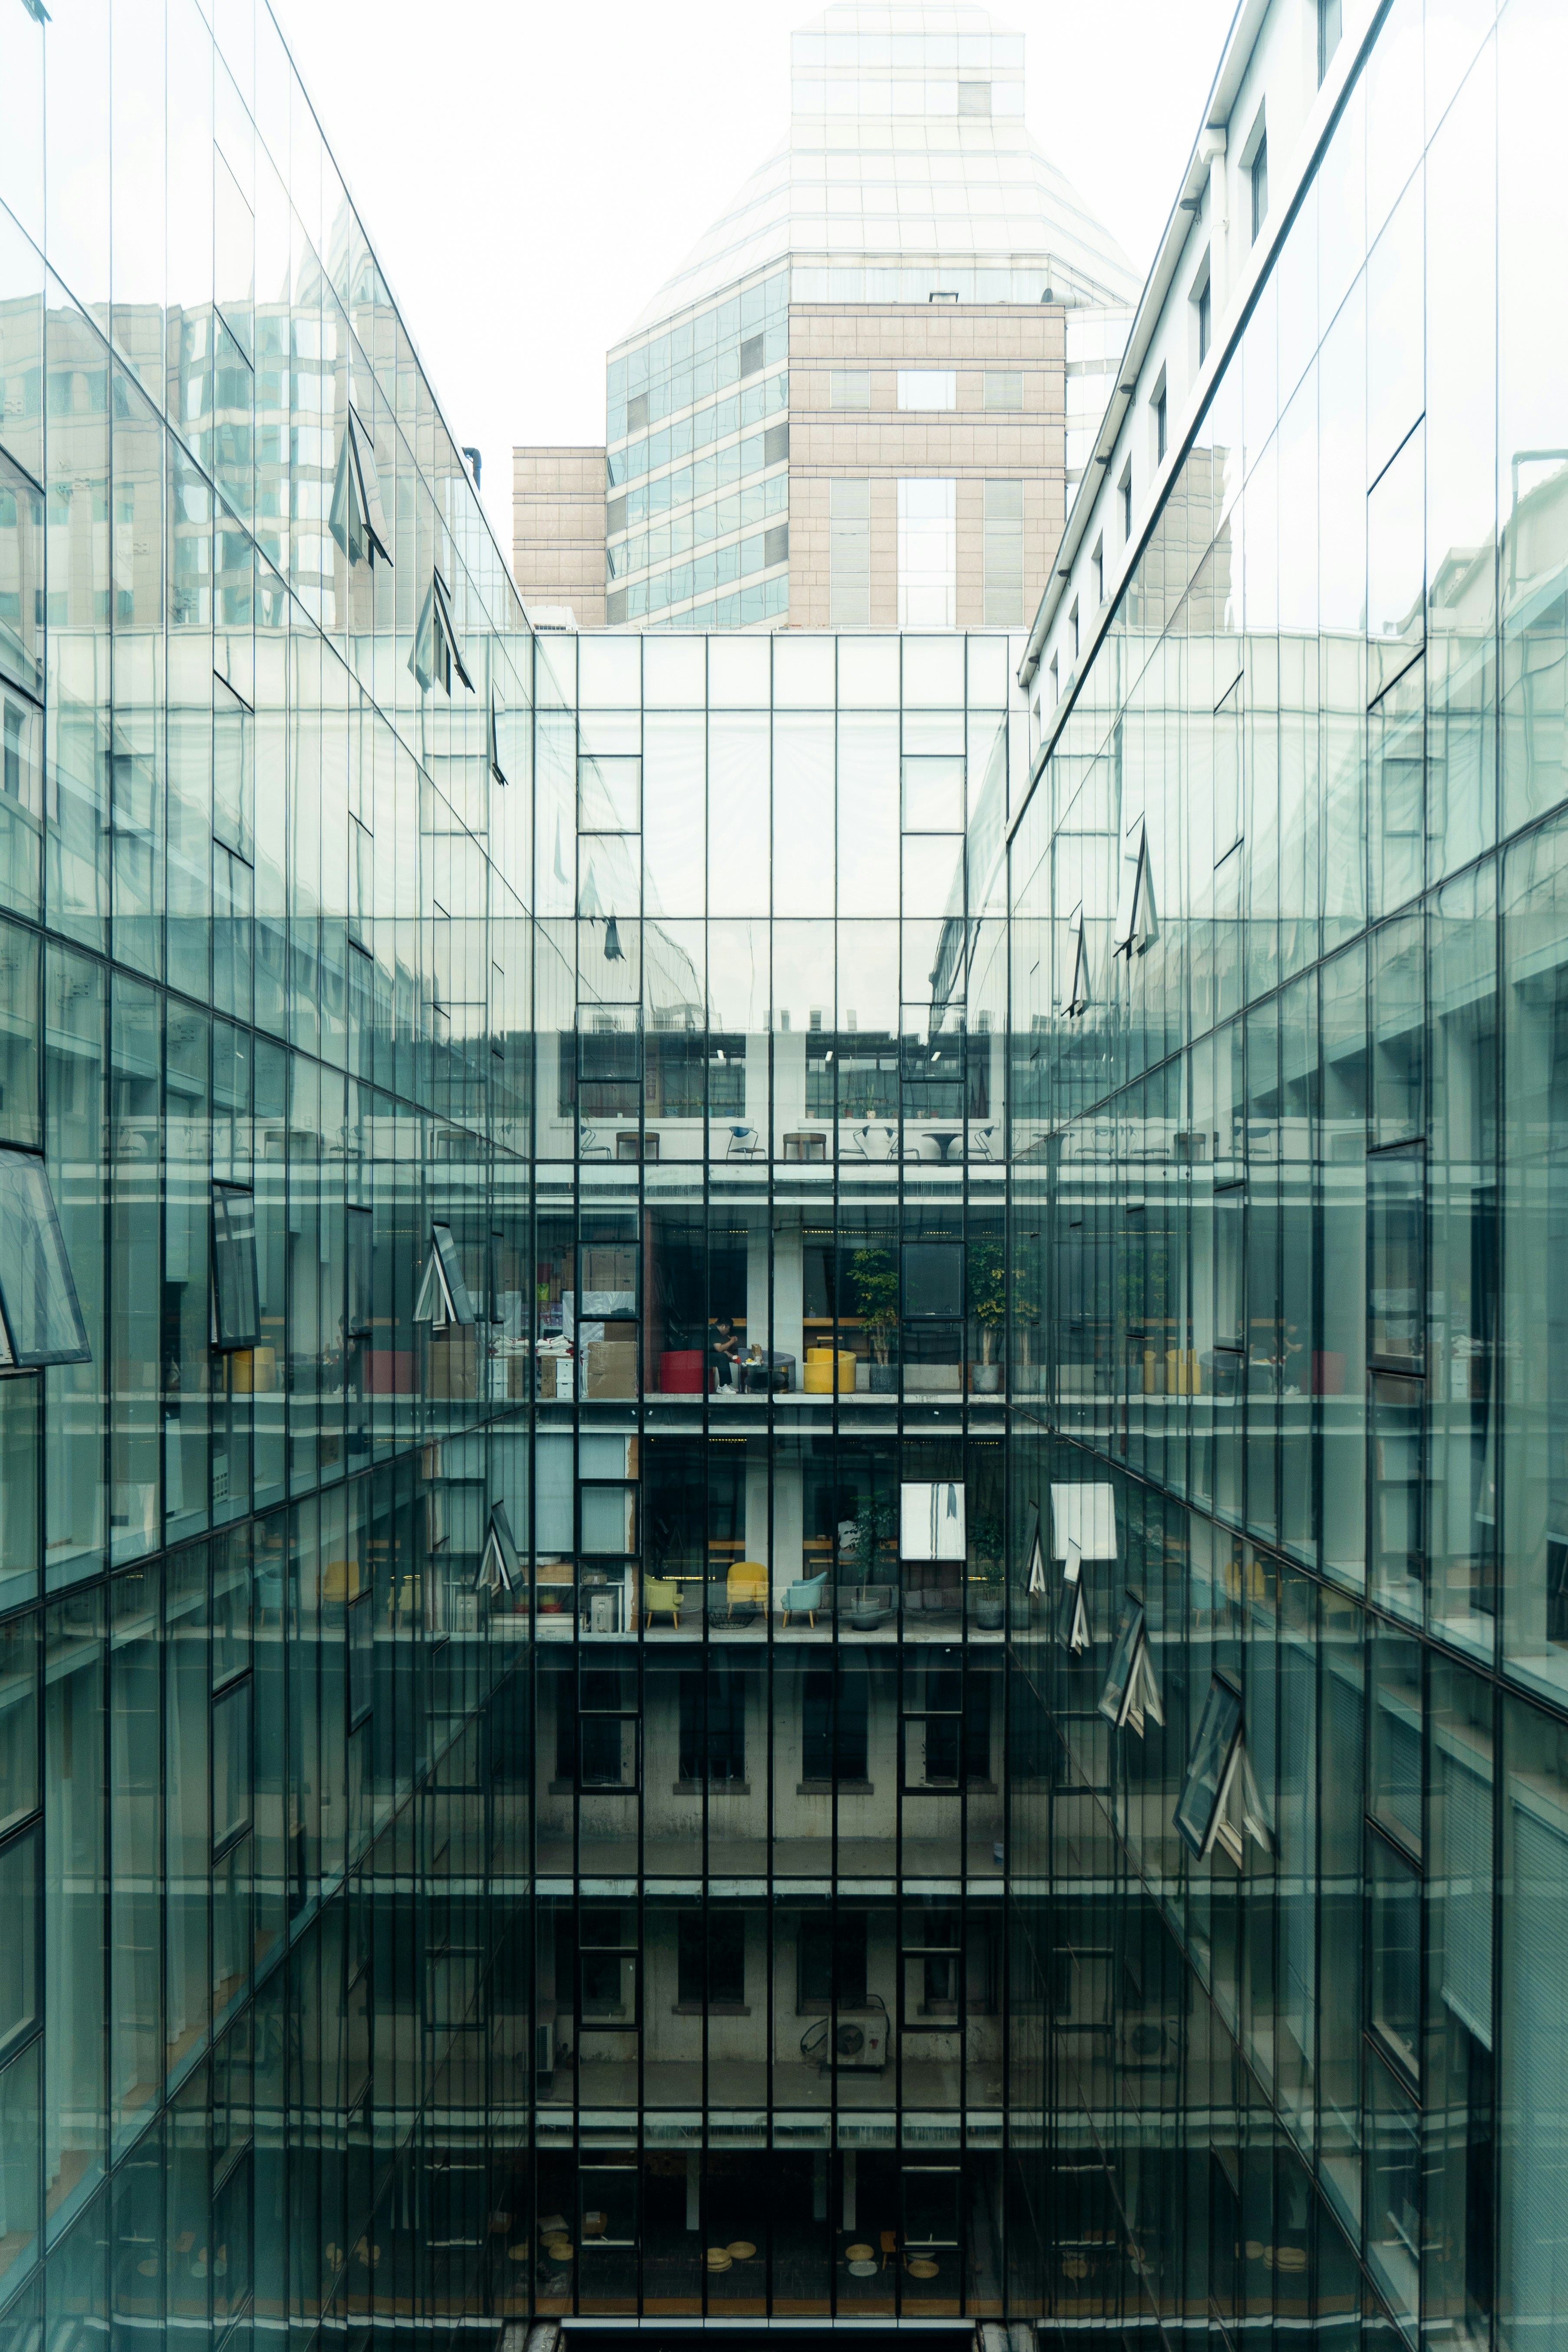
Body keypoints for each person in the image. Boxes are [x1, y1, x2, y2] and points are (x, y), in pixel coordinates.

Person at [711, 1315, 742, 1391]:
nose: (728, 1331)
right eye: (728, 1329)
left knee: (723, 1356)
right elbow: (719, 1349)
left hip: (703, 1355)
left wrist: (732, 1357)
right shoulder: (714, 1331)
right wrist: (732, 1341)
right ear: (723, 1326)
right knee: (722, 1357)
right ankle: (723, 1386)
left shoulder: (714, 1329)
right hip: (698, 1356)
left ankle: (727, 1384)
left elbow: (720, 1349)